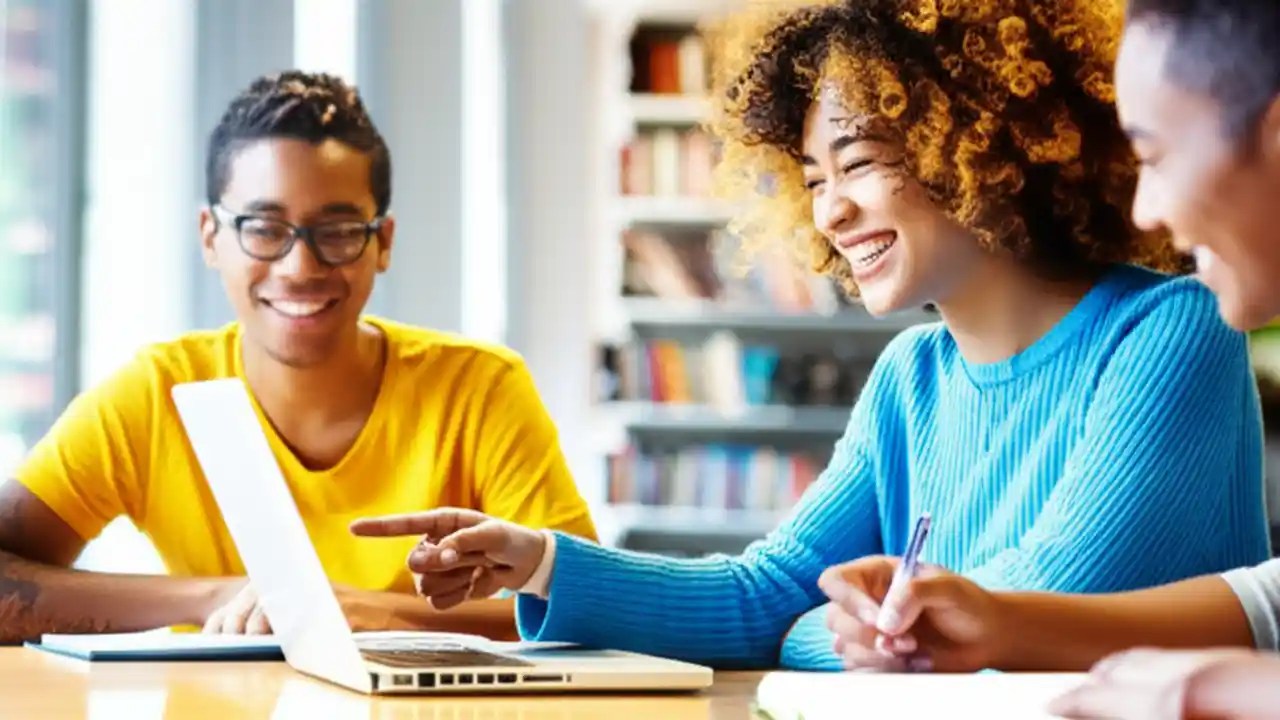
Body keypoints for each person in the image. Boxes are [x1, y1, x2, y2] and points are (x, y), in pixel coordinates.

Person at [349, 0, 1271, 672]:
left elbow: (1002, 633)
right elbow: (767, 592)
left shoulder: (1171, 332)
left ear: (987, 144)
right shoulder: (914, 375)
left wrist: (806, 632)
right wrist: (539, 559)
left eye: (860, 162)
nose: (830, 210)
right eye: (812, 176)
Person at [0, 71, 596, 644]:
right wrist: (214, 598)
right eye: (264, 228)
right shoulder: (156, 393)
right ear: (211, 236)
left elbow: (586, 607)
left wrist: (376, 614)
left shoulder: (479, 389)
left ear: (382, 242)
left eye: (337, 232)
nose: (299, 267)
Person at [815, 0, 1280, 716]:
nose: (1146, 209)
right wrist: (990, 626)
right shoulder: (910, 372)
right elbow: (1268, 601)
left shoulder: (1167, 326)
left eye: (1154, 158)